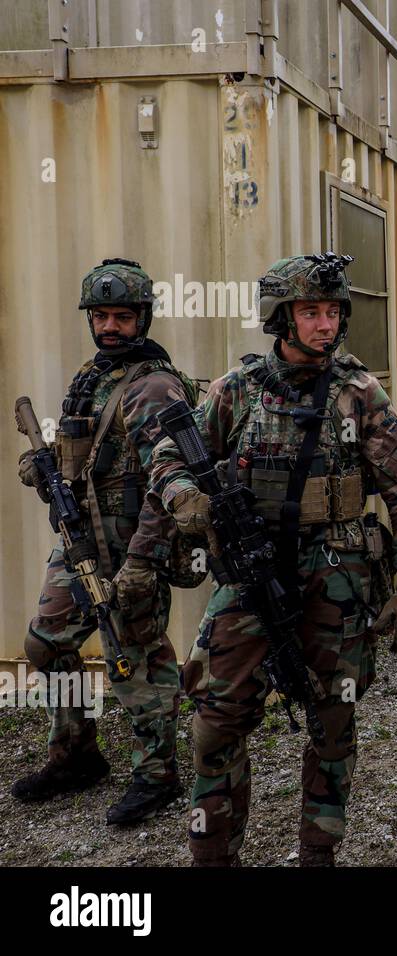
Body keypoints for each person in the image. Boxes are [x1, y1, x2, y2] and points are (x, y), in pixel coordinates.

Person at [149, 253, 397, 866]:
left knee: (334, 723)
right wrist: (189, 501)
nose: (325, 324)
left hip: (340, 580)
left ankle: (318, 853)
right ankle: (213, 852)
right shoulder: (236, 391)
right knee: (215, 720)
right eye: (311, 312)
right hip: (253, 579)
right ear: (281, 318)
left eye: (333, 311)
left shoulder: (360, 392)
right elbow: (168, 458)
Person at [13, 258, 192, 825]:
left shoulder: (155, 386)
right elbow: (75, 453)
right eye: (101, 316)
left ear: (143, 319)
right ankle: (75, 754)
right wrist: (39, 467)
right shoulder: (94, 377)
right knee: (46, 642)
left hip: (130, 546)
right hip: (80, 539)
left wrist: (142, 561)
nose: (110, 327)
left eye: (122, 317)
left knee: (133, 657)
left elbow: (169, 480)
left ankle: (157, 774)